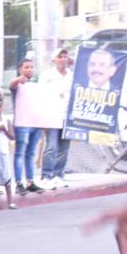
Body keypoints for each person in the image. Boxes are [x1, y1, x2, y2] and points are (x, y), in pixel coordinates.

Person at [8, 58, 45, 194]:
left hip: (35, 123)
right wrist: (19, 79)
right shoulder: (18, 85)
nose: (29, 69)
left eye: (31, 67)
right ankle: (19, 183)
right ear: (20, 69)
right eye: (26, 67)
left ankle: (30, 181)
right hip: (22, 124)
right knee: (20, 153)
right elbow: (11, 85)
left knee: (30, 153)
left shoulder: (35, 86)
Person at [42, 48, 76, 183]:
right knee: (51, 146)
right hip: (52, 115)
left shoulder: (72, 75)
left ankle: (58, 174)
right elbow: (40, 94)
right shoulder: (47, 75)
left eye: (65, 56)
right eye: (59, 57)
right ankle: (46, 175)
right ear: (54, 59)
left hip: (68, 116)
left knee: (64, 147)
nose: (62, 59)